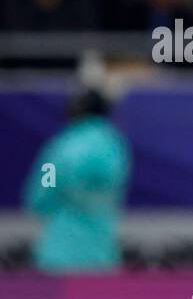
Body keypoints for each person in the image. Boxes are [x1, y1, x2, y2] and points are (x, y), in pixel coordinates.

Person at [23, 89, 131, 273]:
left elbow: (42, 192)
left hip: (60, 253)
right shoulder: (116, 147)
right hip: (102, 254)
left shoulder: (62, 147)